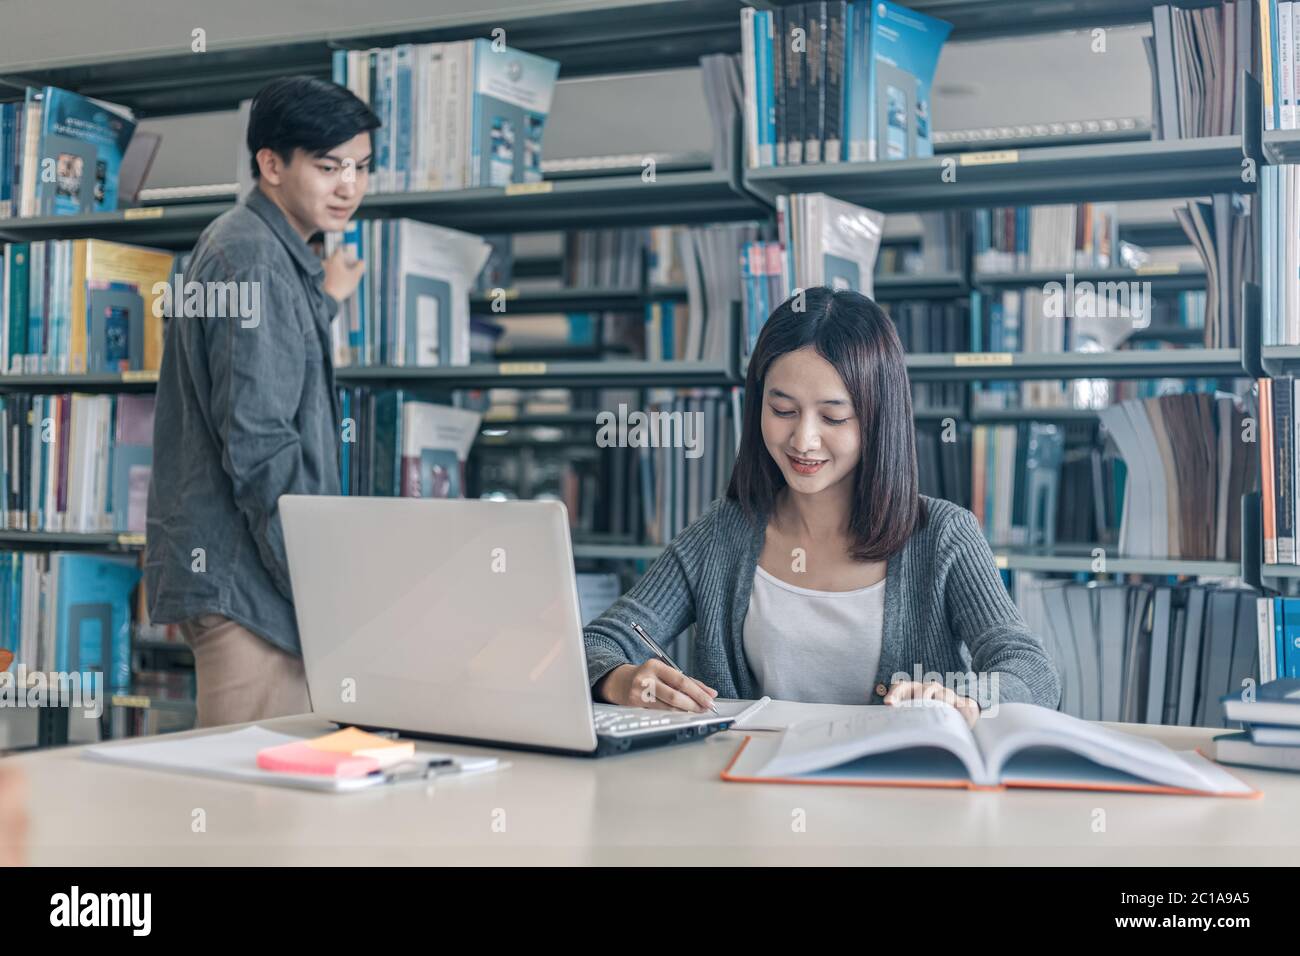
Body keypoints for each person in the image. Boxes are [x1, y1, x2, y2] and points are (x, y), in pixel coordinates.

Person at [585, 287, 1061, 727]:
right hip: (746, 799)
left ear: (877, 419)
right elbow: (595, 643)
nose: (803, 440)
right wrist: (618, 679)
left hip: (903, 804)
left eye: (833, 416)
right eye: (782, 411)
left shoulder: (941, 535)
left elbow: (1031, 670)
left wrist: (965, 698)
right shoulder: (722, 534)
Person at [145, 77, 379, 728]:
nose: (349, 186)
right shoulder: (252, 259)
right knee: (248, 812)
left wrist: (324, 299)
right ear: (271, 165)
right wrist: (312, 583)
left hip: (250, 582)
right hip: (253, 588)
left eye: (361, 168)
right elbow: (258, 441)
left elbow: (269, 368)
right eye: (328, 166)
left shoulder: (261, 252)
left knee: (276, 804)